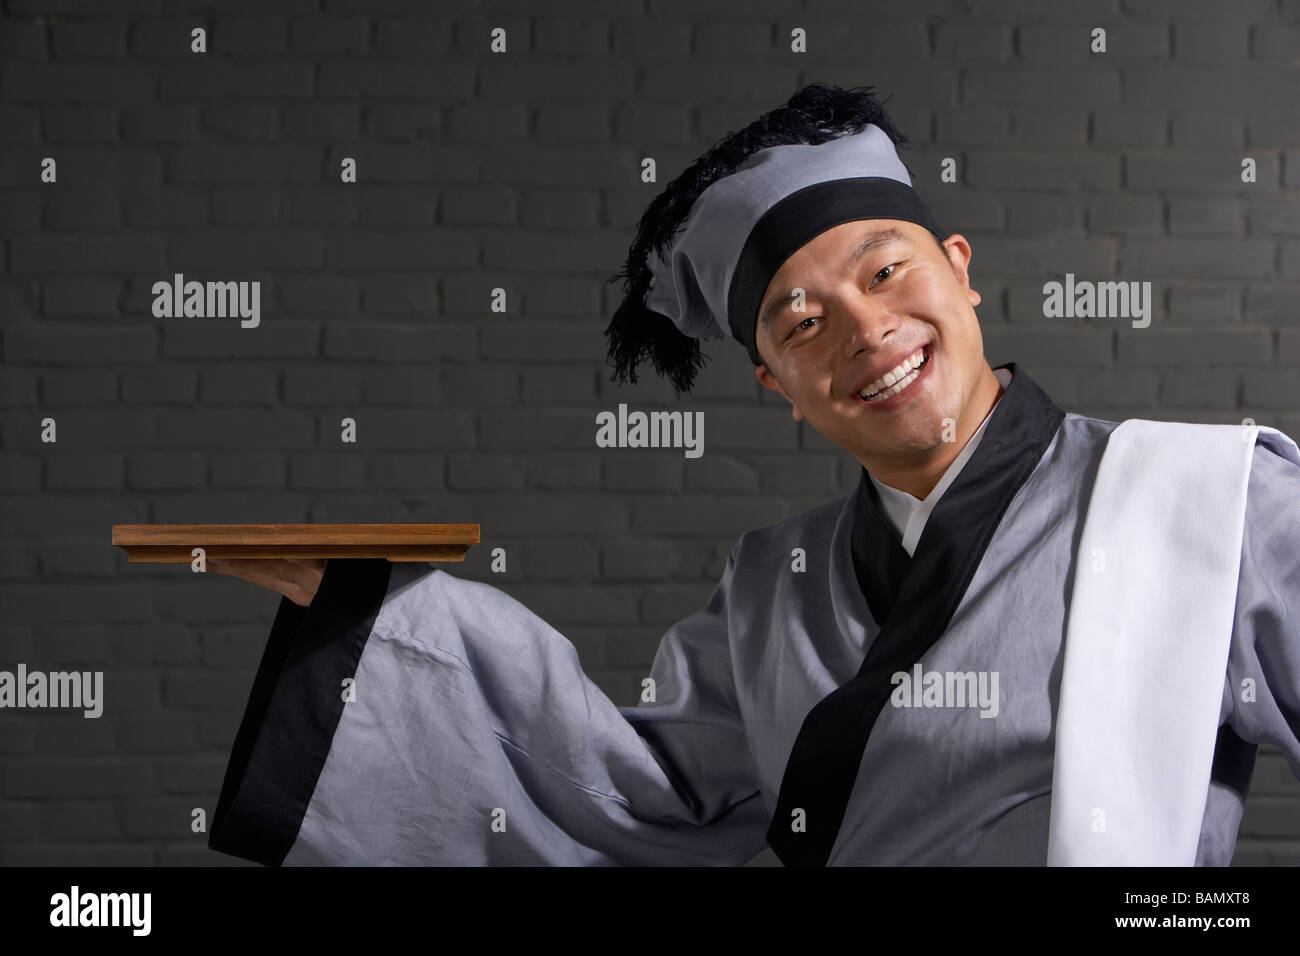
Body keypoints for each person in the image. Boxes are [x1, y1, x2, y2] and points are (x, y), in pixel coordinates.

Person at [205, 83, 1300, 866]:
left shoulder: (1204, 499)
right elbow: (644, 801)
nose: (866, 330)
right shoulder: (770, 583)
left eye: (887, 269)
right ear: (778, 384)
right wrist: (362, 610)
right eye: (802, 321)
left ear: (959, 273)